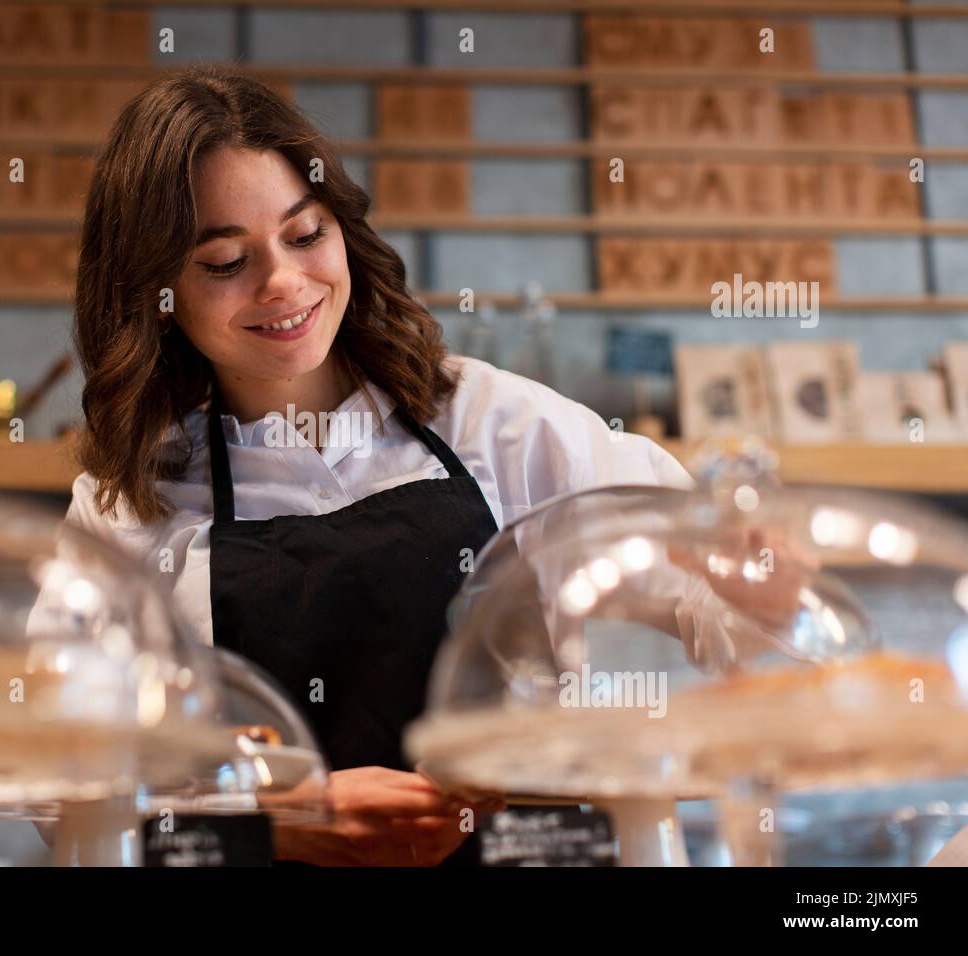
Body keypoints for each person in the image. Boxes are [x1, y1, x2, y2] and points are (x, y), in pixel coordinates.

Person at [60, 65, 697, 866]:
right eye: (225, 261)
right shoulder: (129, 507)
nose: (284, 282)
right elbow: (67, 796)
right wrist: (272, 818)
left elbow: (709, 575)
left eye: (305, 234)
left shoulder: (488, 419)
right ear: (155, 291)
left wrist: (754, 576)